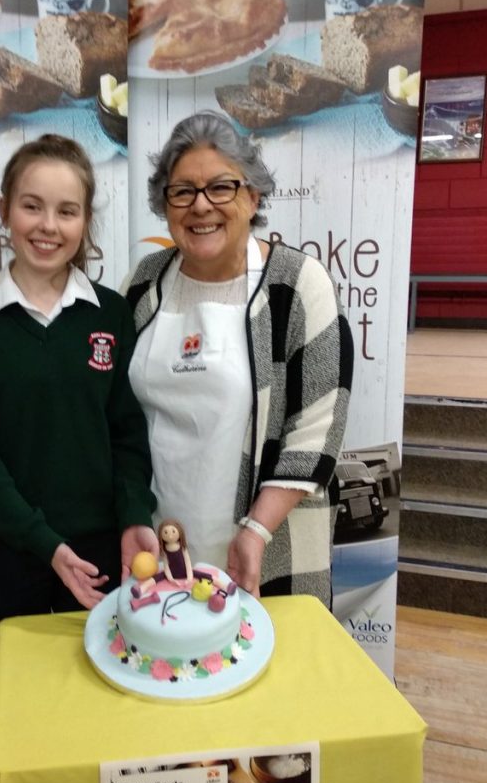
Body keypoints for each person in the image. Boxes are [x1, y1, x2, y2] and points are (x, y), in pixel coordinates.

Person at [124, 111, 354, 607]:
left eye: (220, 187)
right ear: (165, 207)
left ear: (252, 197)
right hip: (159, 544)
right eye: (181, 191)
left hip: (263, 550)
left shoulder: (297, 285)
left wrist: (255, 531)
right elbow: (115, 413)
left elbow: (318, 429)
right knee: (173, 671)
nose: (200, 205)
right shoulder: (143, 283)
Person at [0, 134, 157, 640]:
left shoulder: (112, 313)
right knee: (25, 703)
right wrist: (45, 544)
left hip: (101, 554)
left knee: (101, 696)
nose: (48, 226)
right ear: (4, 210)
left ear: (84, 222)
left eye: (67, 211)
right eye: (32, 206)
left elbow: (127, 434)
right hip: (9, 554)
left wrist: (133, 516)